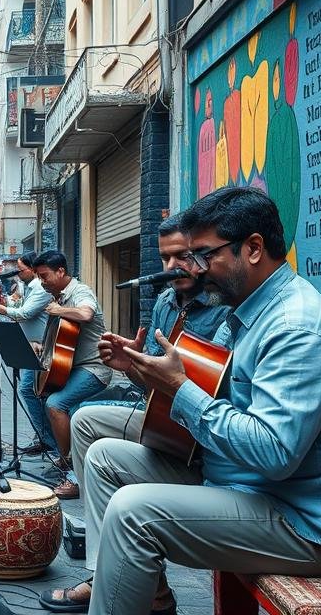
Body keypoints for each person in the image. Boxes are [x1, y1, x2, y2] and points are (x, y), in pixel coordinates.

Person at [40, 186, 321, 614]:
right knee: (103, 457)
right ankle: (137, 591)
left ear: (254, 248)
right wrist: (145, 372)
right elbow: (208, 392)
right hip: (252, 487)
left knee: (134, 512)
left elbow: (274, 452)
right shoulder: (245, 312)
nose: (199, 269)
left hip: (315, 525)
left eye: (207, 255)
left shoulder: (296, 327)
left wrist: (179, 388)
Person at [62, 213, 232, 508]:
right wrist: (131, 365)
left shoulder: (223, 308)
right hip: (161, 418)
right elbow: (151, 382)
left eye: (182, 256)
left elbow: (217, 384)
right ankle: (95, 525)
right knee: (83, 418)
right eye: (165, 258)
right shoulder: (164, 303)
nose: (171, 267)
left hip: (197, 427)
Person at [27, 250, 110, 499]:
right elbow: (65, 341)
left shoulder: (79, 292)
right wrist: (43, 347)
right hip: (73, 368)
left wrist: (58, 311)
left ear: (61, 272)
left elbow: (86, 314)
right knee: (41, 395)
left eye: (45, 276)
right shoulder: (59, 297)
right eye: (39, 277)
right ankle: (68, 457)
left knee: (55, 404)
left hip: (94, 368)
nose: (42, 282)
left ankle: (73, 471)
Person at [0, 253, 56, 458]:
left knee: (29, 391)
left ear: (33, 269)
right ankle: (43, 437)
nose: (18, 274)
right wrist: (5, 305)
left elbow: (25, 313)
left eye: (21, 270)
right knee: (33, 391)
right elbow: (20, 308)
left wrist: (0, 308)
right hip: (29, 346)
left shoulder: (41, 289)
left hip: (40, 348)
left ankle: (48, 439)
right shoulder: (28, 288)